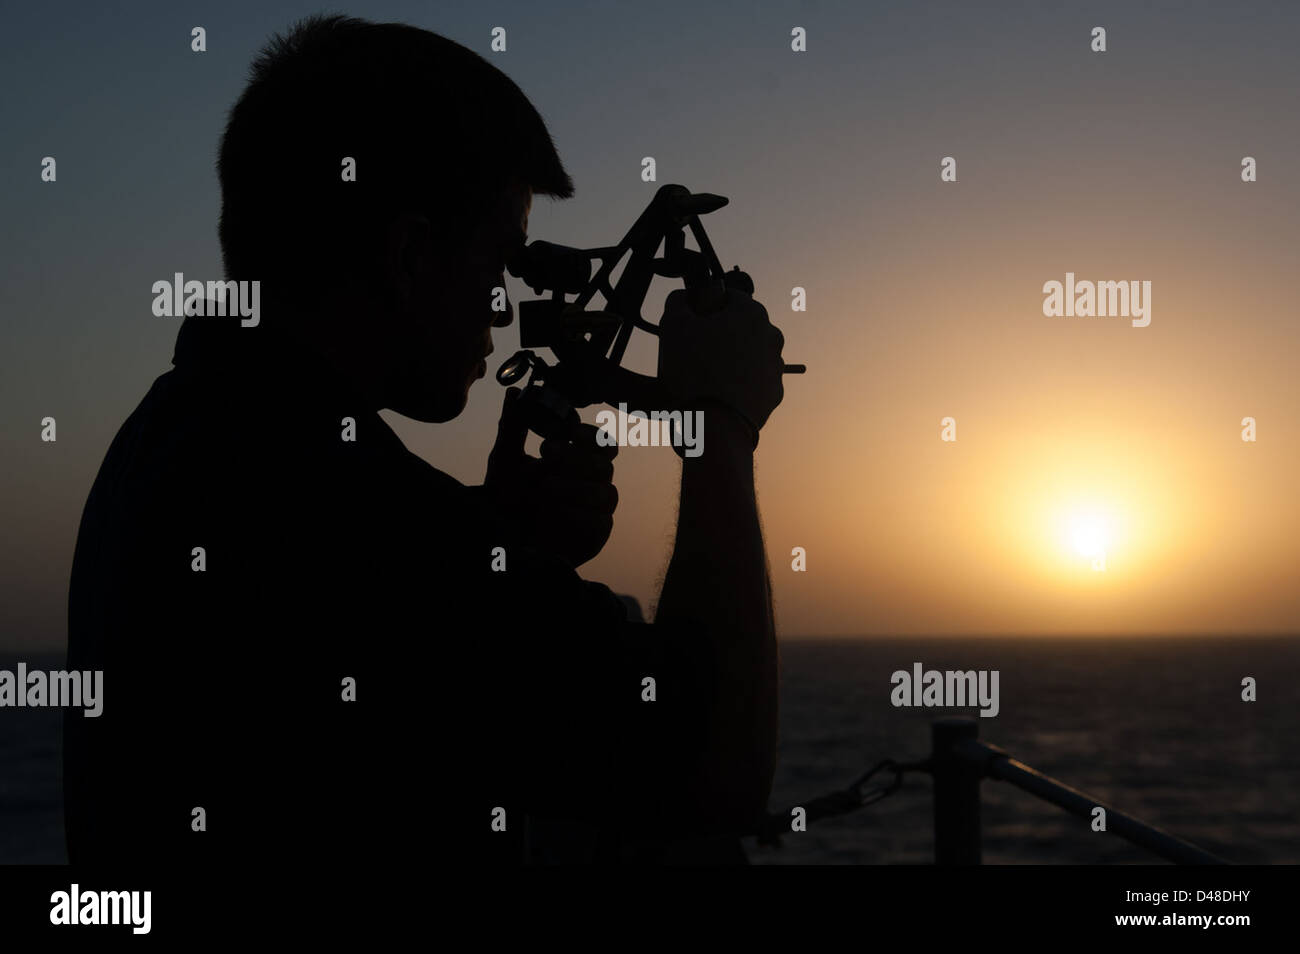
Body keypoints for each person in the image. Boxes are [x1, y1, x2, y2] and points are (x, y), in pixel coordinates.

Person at [64, 14, 786, 866]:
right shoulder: (342, 509)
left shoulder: (176, 435)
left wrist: (496, 538)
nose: (500, 308)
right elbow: (710, 769)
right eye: (499, 262)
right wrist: (721, 431)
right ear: (409, 255)